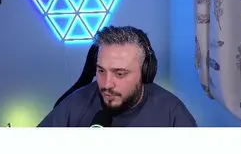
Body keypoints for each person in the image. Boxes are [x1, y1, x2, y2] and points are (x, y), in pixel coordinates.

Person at [39, 26, 197, 127]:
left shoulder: (172, 112)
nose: (106, 84)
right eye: (101, 71)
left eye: (119, 73)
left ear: (145, 72)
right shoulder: (75, 104)